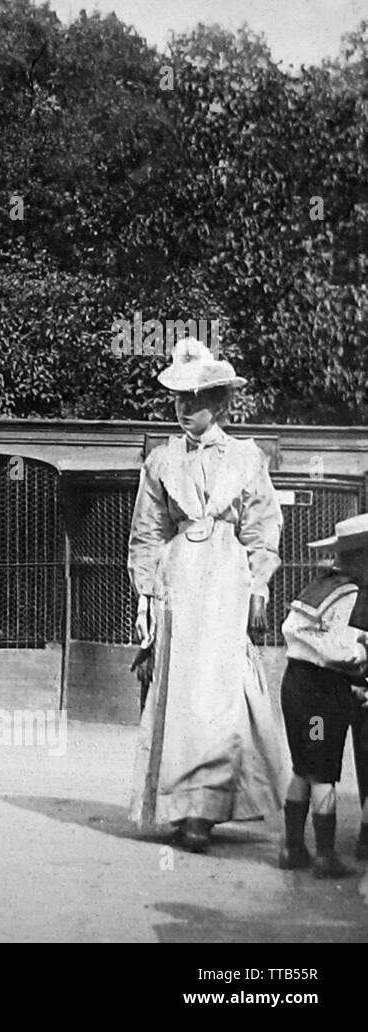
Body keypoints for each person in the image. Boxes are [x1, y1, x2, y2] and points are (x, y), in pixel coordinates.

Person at [127, 338, 285, 853]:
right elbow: (146, 534)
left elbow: (261, 527)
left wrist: (259, 588)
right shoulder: (161, 462)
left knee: (219, 696)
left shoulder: (245, 458)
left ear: (219, 405)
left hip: (225, 583)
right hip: (180, 585)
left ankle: (209, 808)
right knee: (180, 693)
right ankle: (181, 805)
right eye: (178, 399)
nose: (185, 409)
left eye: (196, 400)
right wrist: (147, 598)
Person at [275, 514, 368, 877]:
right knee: (323, 770)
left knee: (303, 767)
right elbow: (346, 652)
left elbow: (294, 630)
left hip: (293, 684)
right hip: (321, 693)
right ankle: (325, 856)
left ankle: (292, 848)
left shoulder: (322, 585)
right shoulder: (357, 595)